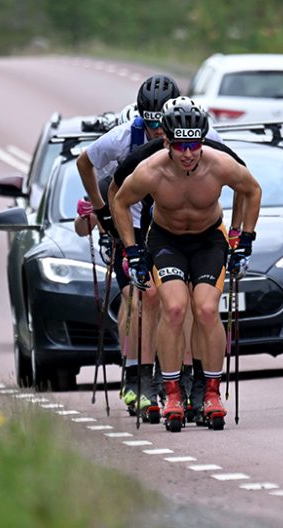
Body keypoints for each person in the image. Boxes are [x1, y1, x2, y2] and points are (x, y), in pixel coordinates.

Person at [111, 101, 262, 432]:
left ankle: (210, 393)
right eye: (181, 146)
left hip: (209, 240)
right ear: (167, 142)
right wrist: (132, 249)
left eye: (194, 145)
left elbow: (252, 190)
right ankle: (173, 393)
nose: (188, 154)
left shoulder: (220, 164)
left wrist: (244, 238)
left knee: (207, 310)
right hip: (166, 242)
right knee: (175, 309)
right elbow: (120, 201)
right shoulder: (151, 170)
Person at [74, 73, 178, 416]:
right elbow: (84, 162)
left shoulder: (186, 134)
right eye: (150, 124)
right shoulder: (121, 140)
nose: (157, 132)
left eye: (162, 124)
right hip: (129, 229)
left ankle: (163, 370)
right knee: (139, 297)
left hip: (167, 227)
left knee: (168, 301)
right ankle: (134, 371)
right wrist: (99, 211)